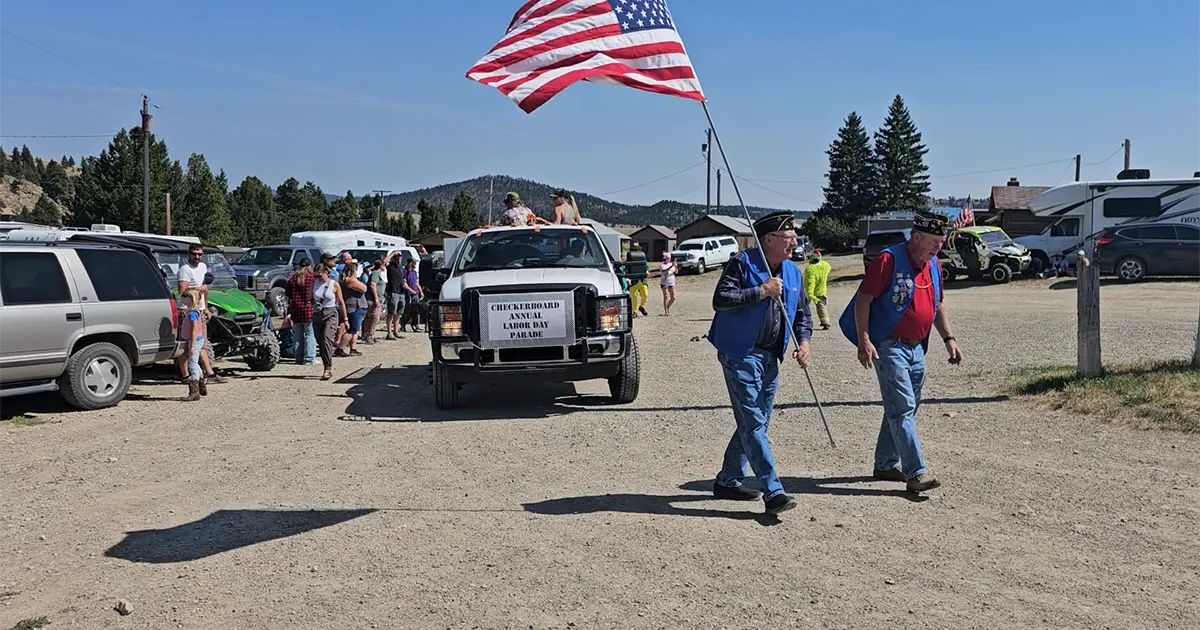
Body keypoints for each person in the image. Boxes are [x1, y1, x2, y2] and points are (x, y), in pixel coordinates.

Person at [838, 210, 964, 493]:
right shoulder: (888, 259)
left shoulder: (933, 265)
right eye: (934, 241)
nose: (938, 247)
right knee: (903, 407)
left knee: (904, 408)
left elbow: (938, 304)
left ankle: (885, 463)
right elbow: (863, 300)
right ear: (916, 237)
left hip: (917, 347)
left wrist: (949, 338)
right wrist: (864, 339)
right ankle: (915, 473)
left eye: (941, 242)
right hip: (888, 345)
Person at [708, 212, 812, 516]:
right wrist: (762, 291)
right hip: (741, 352)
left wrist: (804, 343)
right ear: (768, 240)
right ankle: (773, 491)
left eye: (794, 236)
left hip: (770, 357)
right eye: (788, 236)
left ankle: (728, 480)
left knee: (757, 422)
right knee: (753, 422)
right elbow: (721, 298)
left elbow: (802, 314)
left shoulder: (794, 272)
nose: (794, 241)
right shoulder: (743, 263)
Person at [312, 262, 347, 381]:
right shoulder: (313, 284)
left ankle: (328, 368)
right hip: (317, 314)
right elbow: (309, 298)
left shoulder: (334, 284)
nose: (318, 278)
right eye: (315, 276)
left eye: (320, 275)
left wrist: (345, 318)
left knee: (327, 339)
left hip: (331, 313)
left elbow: (341, 302)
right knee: (321, 342)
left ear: (326, 273)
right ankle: (325, 364)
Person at [177, 288, 207, 401]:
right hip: (194, 340)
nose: (183, 299)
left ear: (191, 299)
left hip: (194, 340)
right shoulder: (192, 311)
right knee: (195, 362)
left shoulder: (193, 313)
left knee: (192, 363)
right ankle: (201, 383)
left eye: (185, 297)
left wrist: (193, 345)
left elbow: (195, 329)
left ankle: (194, 390)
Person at [286, 259, 317, 364]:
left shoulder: (292, 279)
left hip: (295, 308)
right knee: (309, 333)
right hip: (308, 309)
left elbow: (288, 294)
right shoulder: (311, 278)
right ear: (309, 266)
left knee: (297, 334)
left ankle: (298, 357)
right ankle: (309, 358)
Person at [337, 261, 367, 357]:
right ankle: (340, 348)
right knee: (352, 330)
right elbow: (364, 288)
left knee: (355, 330)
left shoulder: (342, 280)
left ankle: (353, 349)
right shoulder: (350, 280)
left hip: (353, 306)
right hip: (354, 307)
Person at [804, 249, 832, 330]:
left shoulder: (810, 269)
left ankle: (802, 320)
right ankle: (825, 321)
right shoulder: (825, 265)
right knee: (821, 307)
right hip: (822, 290)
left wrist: (809, 294)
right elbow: (828, 268)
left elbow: (810, 283)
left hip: (811, 292)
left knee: (804, 306)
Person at [361, 258, 387, 344]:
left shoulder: (378, 273)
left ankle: (370, 335)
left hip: (378, 298)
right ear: (381, 266)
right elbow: (373, 285)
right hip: (373, 300)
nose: (386, 266)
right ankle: (368, 335)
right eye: (384, 265)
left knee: (374, 318)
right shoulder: (375, 273)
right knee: (374, 318)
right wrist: (376, 299)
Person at [625, 242, 650, 317]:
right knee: (633, 296)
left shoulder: (642, 257)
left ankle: (641, 307)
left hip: (642, 280)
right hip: (633, 281)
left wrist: (647, 271)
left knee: (645, 295)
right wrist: (627, 277)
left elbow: (645, 266)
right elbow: (627, 267)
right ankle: (634, 311)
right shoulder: (630, 257)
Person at [385, 255, 406, 339]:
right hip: (393, 291)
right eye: (397, 259)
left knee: (398, 313)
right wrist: (393, 253)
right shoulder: (391, 267)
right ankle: (389, 332)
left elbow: (404, 280)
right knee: (391, 313)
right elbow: (385, 262)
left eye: (400, 259)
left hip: (401, 292)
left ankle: (396, 331)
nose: (399, 261)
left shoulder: (402, 268)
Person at [400, 257, 422, 333]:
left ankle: (416, 325)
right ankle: (403, 325)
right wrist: (411, 291)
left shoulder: (414, 272)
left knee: (416, 310)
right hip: (408, 293)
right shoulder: (405, 271)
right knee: (407, 310)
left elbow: (416, 282)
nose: (415, 264)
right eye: (413, 263)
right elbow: (404, 284)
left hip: (415, 293)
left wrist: (421, 291)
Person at [659, 251, 677, 316]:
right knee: (666, 296)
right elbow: (664, 270)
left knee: (673, 297)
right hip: (664, 282)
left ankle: (668, 307)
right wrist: (672, 265)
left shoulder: (671, 264)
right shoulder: (662, 265)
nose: (668, 259)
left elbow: (676, 272)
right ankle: (666, 311)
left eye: (669, 258)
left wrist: (676, 266)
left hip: (671, 282)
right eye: (667, 258)